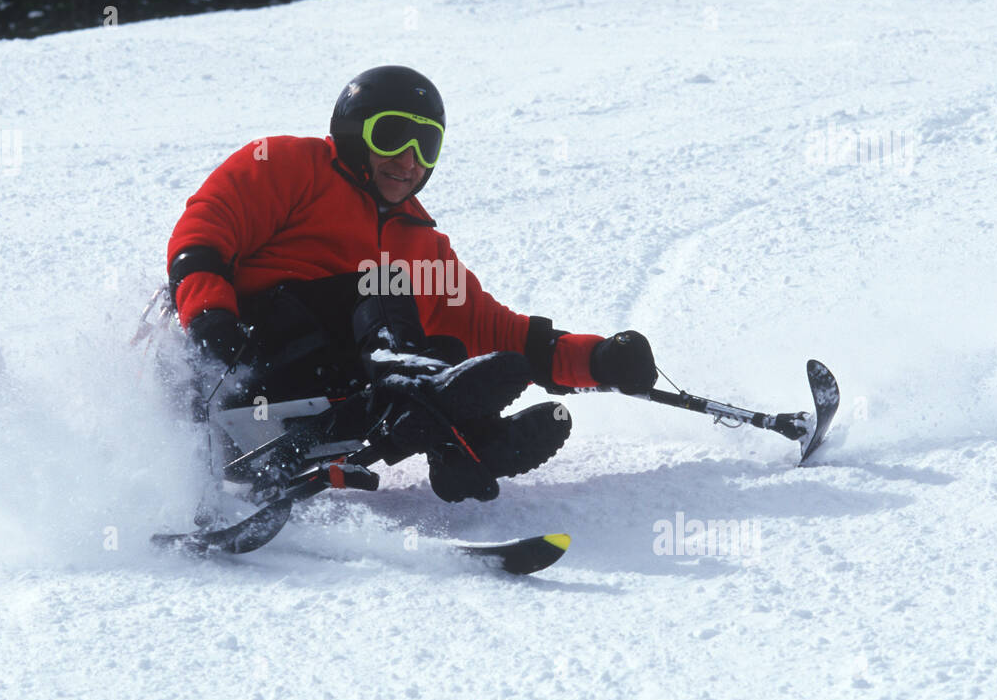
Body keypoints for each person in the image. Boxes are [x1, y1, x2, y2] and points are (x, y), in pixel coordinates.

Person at [165, 66, 657, 503]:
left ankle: (467, 447)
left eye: (427, 144)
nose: (409, 160)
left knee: (447, 344)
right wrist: (211, 322)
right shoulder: (290, 165)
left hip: (298, 406)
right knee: (381, 291)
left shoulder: (421, 242)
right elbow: (204, 235)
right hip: (227, 367)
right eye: (392, 136)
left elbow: (498, 331)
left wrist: (598, 361)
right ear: (354, 133)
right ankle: (436, 408)